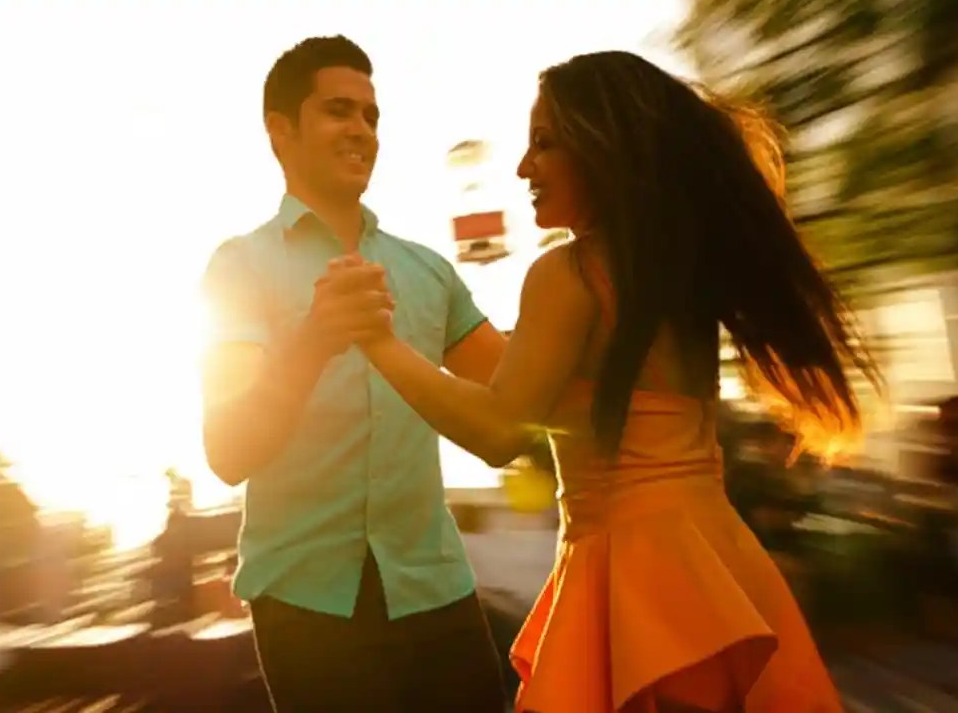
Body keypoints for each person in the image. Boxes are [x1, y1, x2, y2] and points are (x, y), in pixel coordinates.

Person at [330, 50, 881, 712]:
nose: (523, 167)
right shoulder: (667, 277)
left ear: (603, 149)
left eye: (544, 143)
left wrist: (377, 342)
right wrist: (434, 325)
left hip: (633, 574)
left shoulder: (568, 275)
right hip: (712, 559)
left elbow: (499, 430)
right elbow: (537, 384)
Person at [198, 35, 507, 712]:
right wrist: (313, 340)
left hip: (438, 593)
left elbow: (517, 399)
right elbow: (227, 452)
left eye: (371, 116)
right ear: (280, 131)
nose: (362, 130)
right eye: (339, 110)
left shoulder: (429, 272)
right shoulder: (238, 268)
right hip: (305, 606)